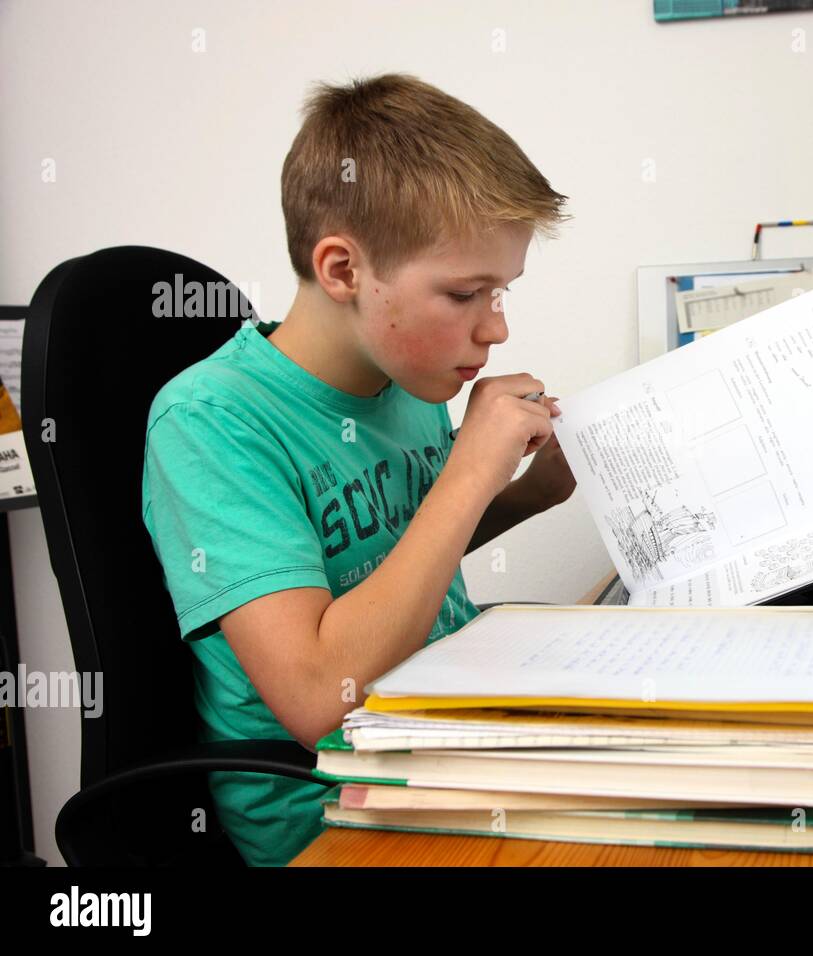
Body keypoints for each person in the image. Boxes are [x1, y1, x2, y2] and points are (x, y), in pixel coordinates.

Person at [141, 73, 574, 865]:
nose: (498, 327)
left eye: (502, 290)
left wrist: (524, 497)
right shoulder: (211, 421)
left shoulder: (405, 376)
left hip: (447, 745)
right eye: (466, 293)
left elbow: (391, 560)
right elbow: (314, 694)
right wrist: (471, 468)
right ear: (343, 271)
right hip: (332, 813)